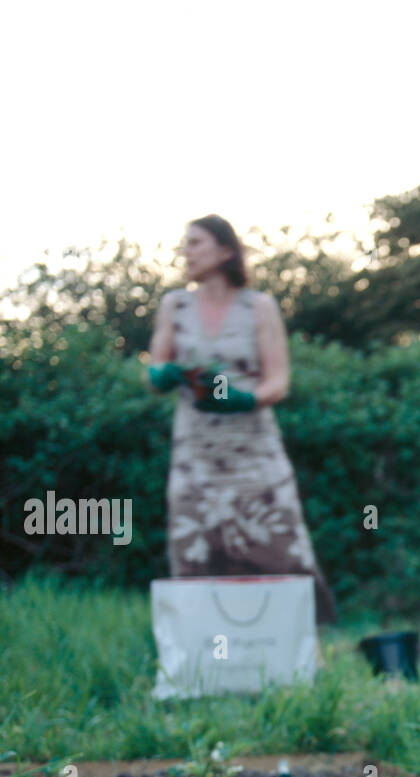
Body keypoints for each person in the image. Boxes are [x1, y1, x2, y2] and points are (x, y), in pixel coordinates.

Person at [146, 214, 337, 625]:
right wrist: (161, 374)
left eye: (195, 242)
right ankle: (205, 651)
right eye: (186, 243)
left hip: (253, 451)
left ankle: (296, 646)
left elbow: (279, 382)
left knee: (279, 543)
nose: (186, 251)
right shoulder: (175, 305)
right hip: (195, 452)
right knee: (194, 545)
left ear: (225, 250)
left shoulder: (259, 307)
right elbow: (156, 366)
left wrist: (241, 399)